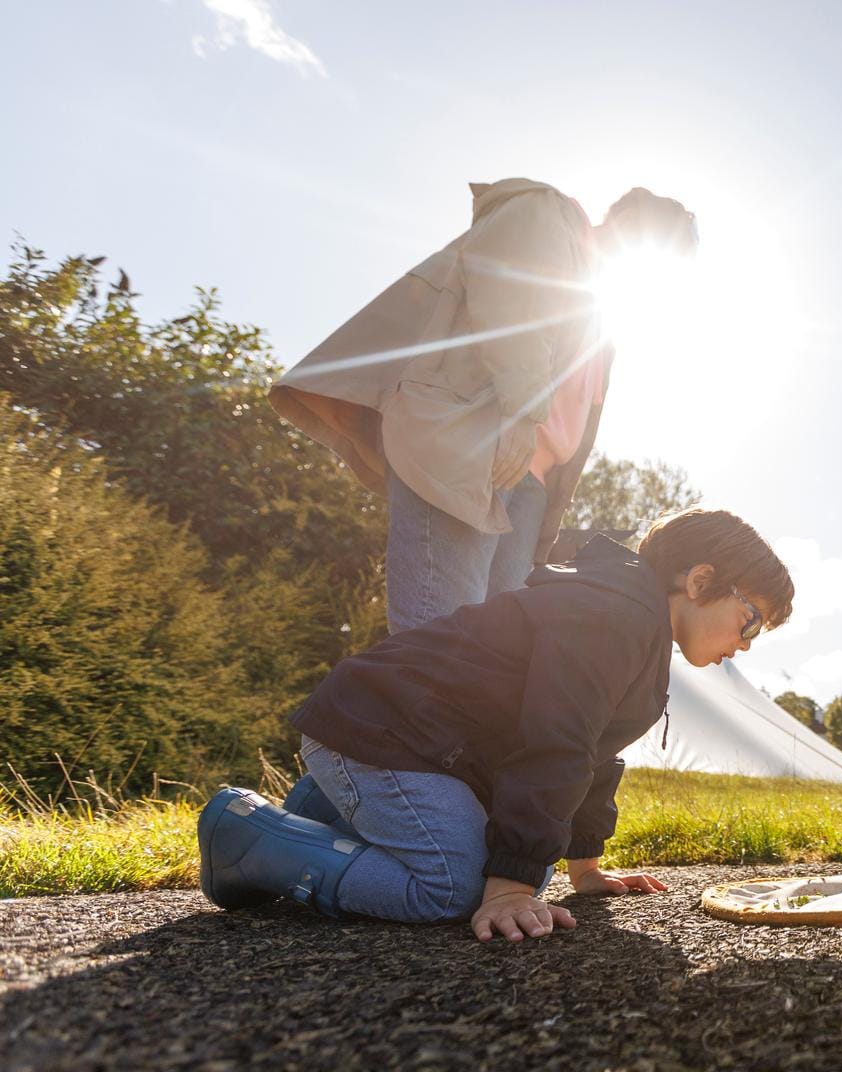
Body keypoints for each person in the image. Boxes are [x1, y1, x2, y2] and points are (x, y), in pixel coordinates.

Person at [197, 509, 792, 943]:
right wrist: (511, 884)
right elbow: (555, 743)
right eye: (750, 621)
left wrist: (584, 867)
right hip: (381, 733)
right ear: (700, 581)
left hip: (417, 747)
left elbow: (594, 750)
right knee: (453, 889)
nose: (745, 644)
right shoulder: (612, 618)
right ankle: (244, 837)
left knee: (481, 866)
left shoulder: (640, 634)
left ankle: (315, 811)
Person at [269, 177, 698, 635]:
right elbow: (507, 302)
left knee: (488, 654)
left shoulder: (600, 316)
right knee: (436, 633)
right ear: (627, 218)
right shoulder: (548, 215)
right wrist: (521, 413)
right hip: (478, 444)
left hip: (530, 487)